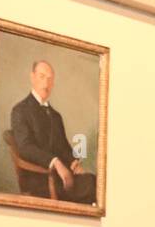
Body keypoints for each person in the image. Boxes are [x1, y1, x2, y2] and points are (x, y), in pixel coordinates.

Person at [9, 59, 97, 203]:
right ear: (32, 78)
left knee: (95, 183)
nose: (46, 83)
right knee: (92, 186)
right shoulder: (20, 111)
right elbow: (25, 147)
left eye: (50, 79)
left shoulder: (55, 116)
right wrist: (54, 162)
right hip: (39, 179)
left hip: (62, 178)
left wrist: (74, 163)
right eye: (42, 77)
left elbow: (63, 147)